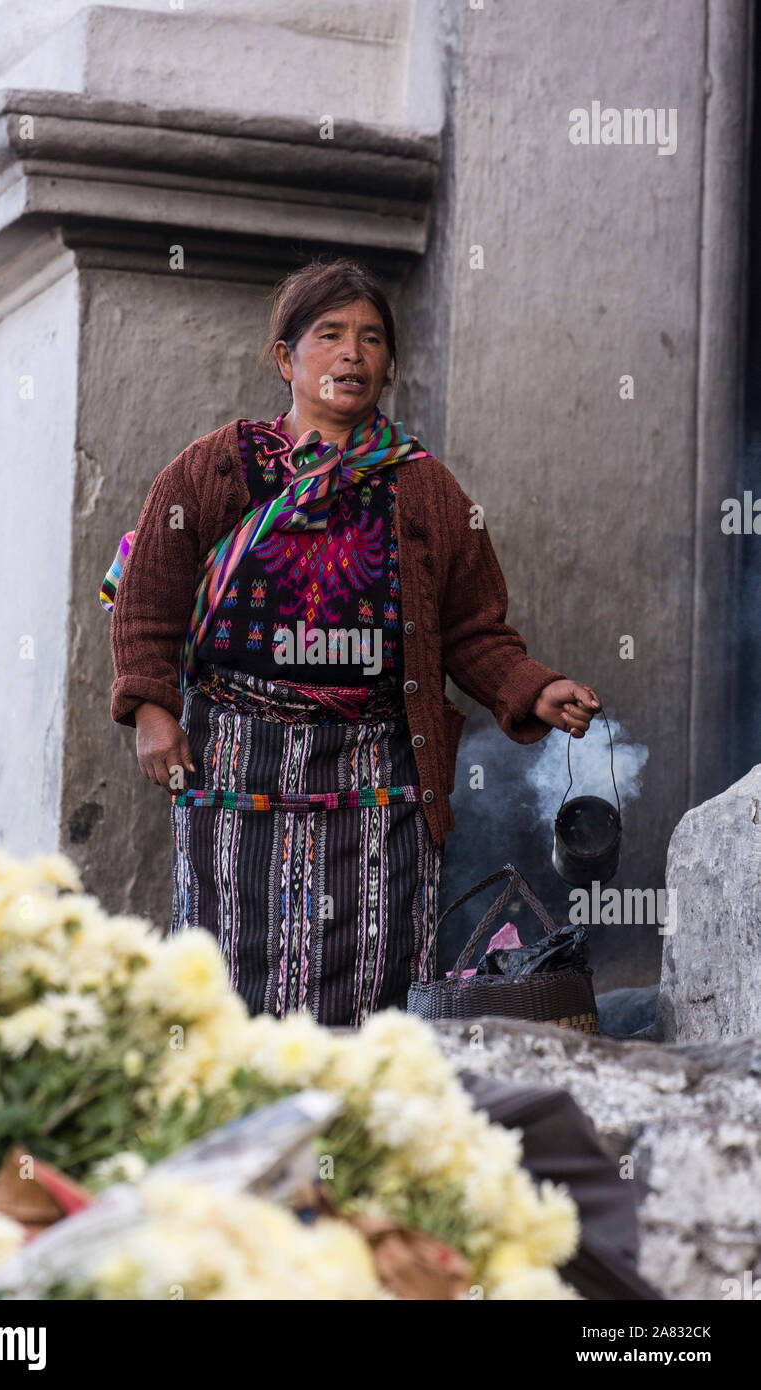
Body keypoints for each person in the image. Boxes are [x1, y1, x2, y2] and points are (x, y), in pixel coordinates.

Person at [103, 257, 600, 1027]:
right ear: (285, 358)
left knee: (378, 985)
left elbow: (472, 628)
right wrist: (150, 710)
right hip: (238, 760)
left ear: (389, 364)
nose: (351, 355)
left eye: (371, 340)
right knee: (229, 978)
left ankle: (362, 1133)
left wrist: (532, 688)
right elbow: (148, 600)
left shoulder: (424, 488)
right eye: (329, 335)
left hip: (378, 774)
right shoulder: (214, 470)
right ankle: (236, 1134)